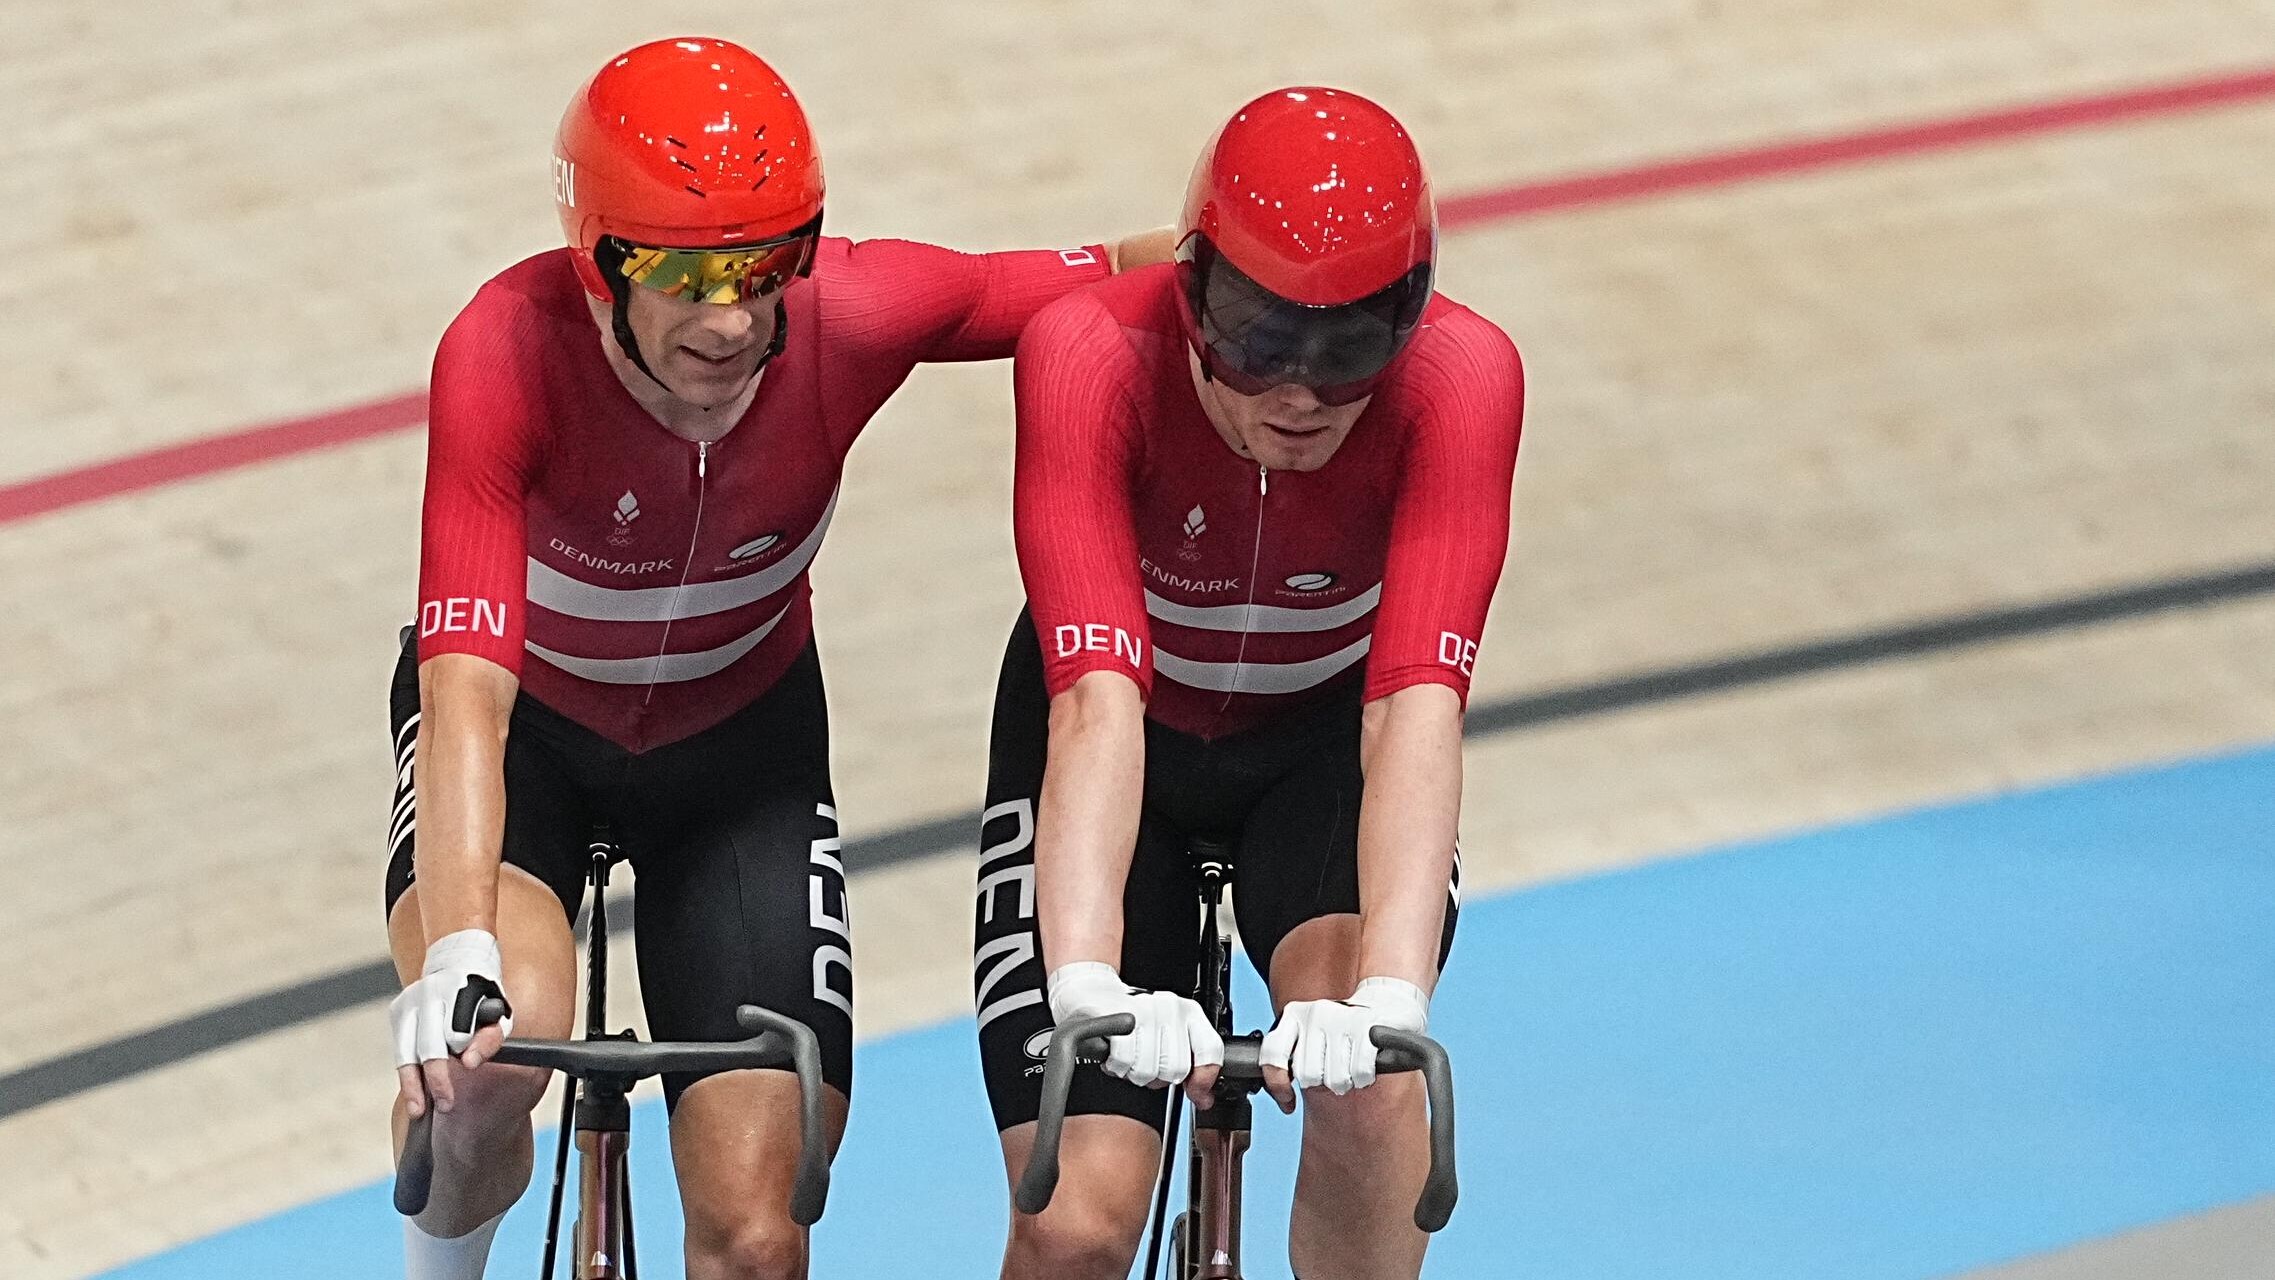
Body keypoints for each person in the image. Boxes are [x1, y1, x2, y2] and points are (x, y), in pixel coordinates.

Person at [385, 36, 1169, 1280]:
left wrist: (1328, 302)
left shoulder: (855, 311)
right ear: (599, 264)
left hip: (738, 757)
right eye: (686, 275)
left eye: (764, 268)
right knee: (480, 1072)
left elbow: (1133, 272)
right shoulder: (502, 349)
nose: (732, 318)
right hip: (527, 739)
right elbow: (467, 687)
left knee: (757, 1234)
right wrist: (455, 952)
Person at [970, 86, 1525, 1279]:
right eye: (1259, 343)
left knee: (1372, 1094)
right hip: (1122, 736)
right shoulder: (1085, 354)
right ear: (1190, 295)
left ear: (1411, 318)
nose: (1299, 394)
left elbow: (1414, 705)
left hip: (1319, 746)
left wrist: (1389, 1004)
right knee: (1075, 1223)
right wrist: (1086, 979)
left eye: (1349, 349)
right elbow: (1095, 700)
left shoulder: (1463, 377)